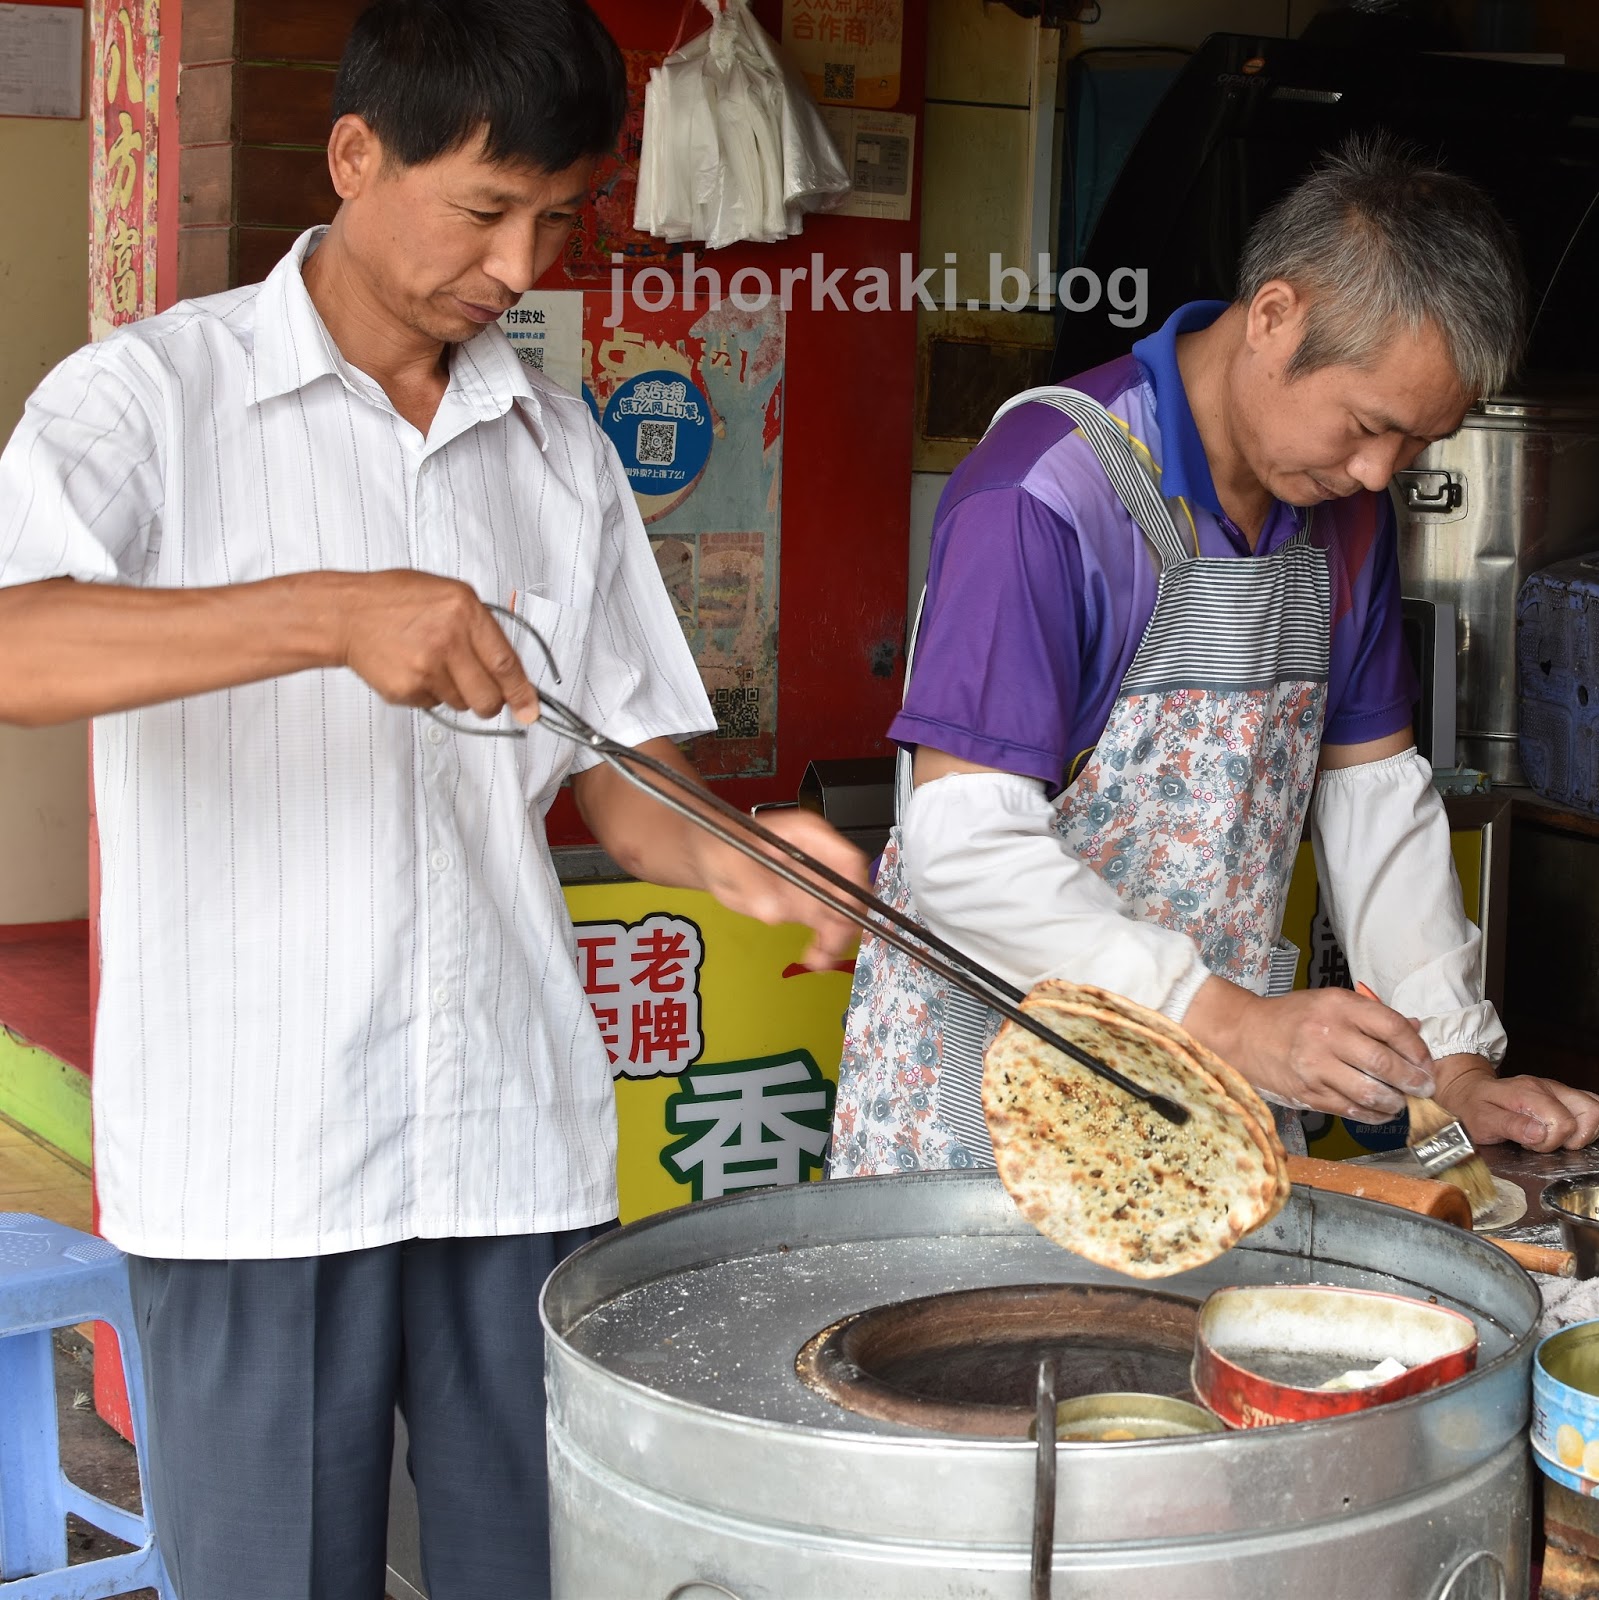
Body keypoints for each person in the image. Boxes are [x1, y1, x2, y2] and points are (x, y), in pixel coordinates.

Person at [0, 1, 865, 1595]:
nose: (520, 268)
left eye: (558, 217)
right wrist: (327, 612)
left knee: (534, 1568)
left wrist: (748, 860)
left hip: (508, 1143)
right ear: (353, 157)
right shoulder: (147, 402)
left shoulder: (554, 453)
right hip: (259, 1152)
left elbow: (624, 783)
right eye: (482, 210)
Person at [831, 136, 1599, 1179]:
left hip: (1208, 1099)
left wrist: (1455, 1068)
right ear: (1275, 317)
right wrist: (1225, 1017)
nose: (1379, 471)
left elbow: (1375, 801)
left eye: (1419, 444)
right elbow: (962, 848)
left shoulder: (1349, 519)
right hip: (985, 1107)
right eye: (1369, 425)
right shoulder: (1047, 494)